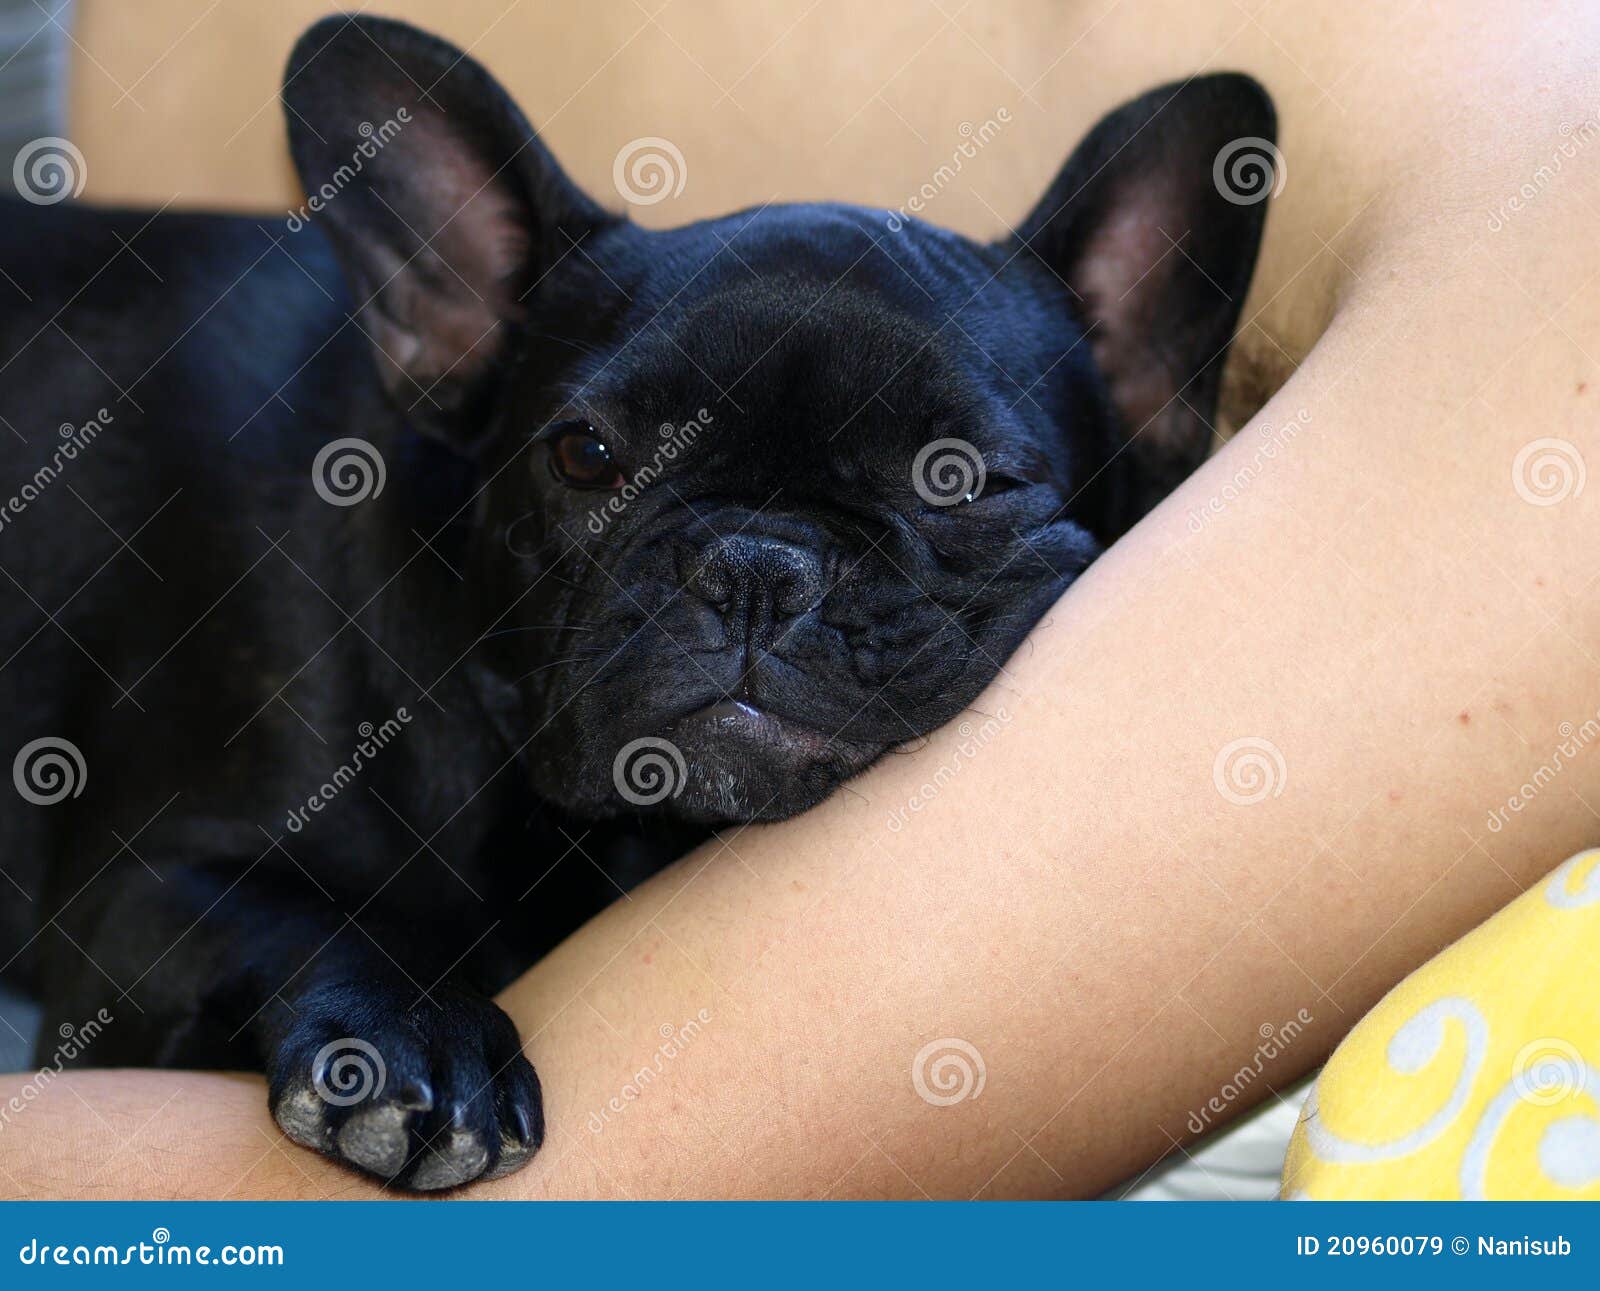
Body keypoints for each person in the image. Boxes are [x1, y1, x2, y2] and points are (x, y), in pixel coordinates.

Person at [4, 0, 1600, 1199]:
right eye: (600, 466)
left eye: (955, 485)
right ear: (446, 335)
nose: (754, 587)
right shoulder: (309, 610)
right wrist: (328, 977)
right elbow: (136, 926)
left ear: (1142, 403)